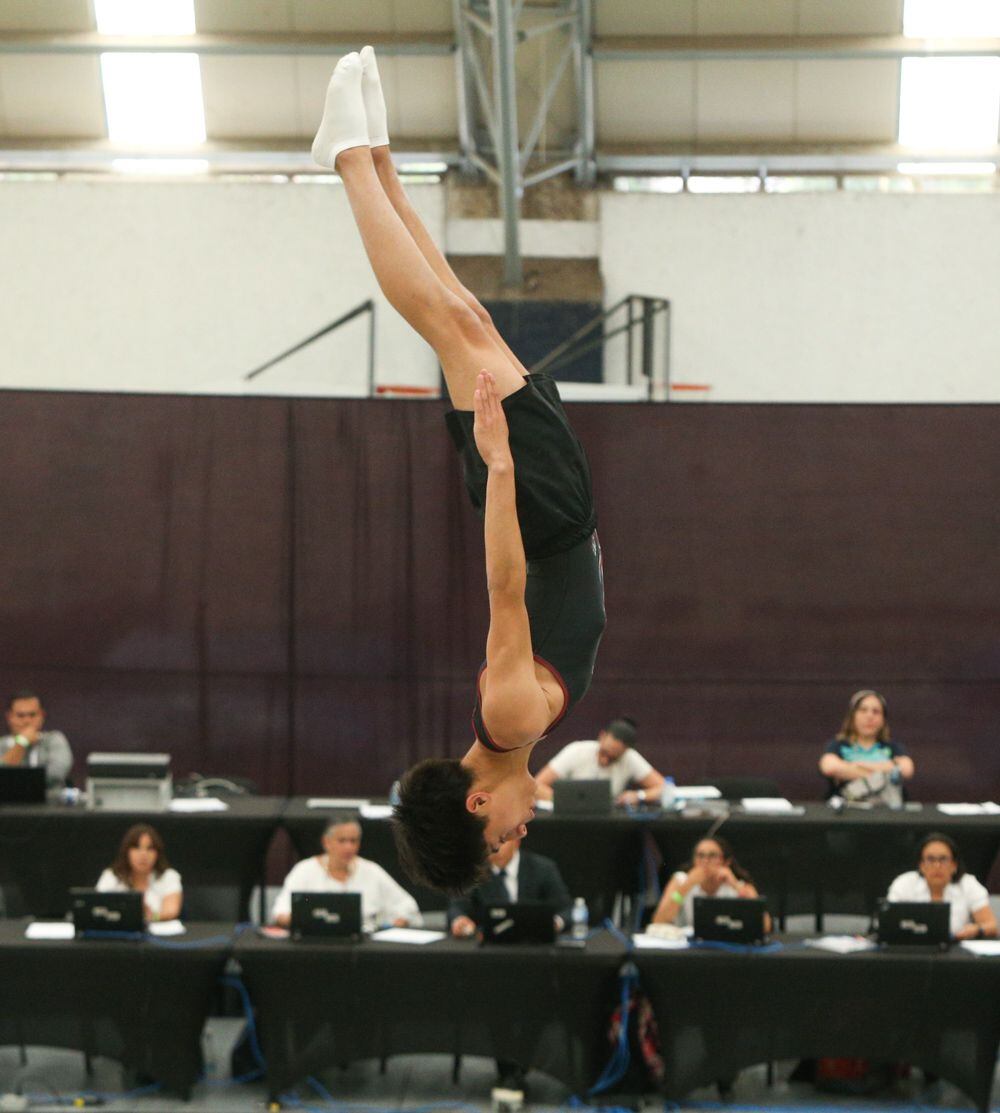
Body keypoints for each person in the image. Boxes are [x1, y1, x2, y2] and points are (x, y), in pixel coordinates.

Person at [309, 48, 606, 894]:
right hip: (550, 503)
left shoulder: (512, 717)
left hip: (538, 506)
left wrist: (501, 464)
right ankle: (374, 159)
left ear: (478, 806)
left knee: (444, 323)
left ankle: (344, 160)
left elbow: (506, 584)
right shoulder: (516, 732)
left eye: (504, 840)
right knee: (463, 314)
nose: (523, 831)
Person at [271, 814, 421, 931]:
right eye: (342, 841)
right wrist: (309, 921)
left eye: (353, 841)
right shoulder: (305, 870)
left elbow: (407, 907)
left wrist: (393, 925)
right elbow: (280, 913)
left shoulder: (371, 871)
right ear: (326, 842)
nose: (349, 847)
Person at [447, 836, 574, 937]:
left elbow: (566, 909)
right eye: (488, 839)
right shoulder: (475, 871)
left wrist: (554, 924)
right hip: (491, 946)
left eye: (501, 840)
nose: (493, 846)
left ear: (517, 842)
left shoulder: (543, 868)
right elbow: (457, 906)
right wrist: (460, 920)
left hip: (533, 945)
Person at [887, 832, 997, 941]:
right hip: (911, 949)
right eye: (930, 859)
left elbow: (992, 926)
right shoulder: (904, 884)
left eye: (943, 859)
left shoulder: (968, 884)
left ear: (954, 865)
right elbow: (888, 924)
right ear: (921, 865)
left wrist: (977, 929)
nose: (937, 866)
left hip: (955, 951)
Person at [534, 716, 665, 806]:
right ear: (601, 736)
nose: (605, 759)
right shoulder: (576, 751)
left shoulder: (630, 758)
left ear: (626, 752)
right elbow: (536, 786)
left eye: (613, 758)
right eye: (604, 752)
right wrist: (567, 801)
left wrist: (639, 796)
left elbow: (664, 788)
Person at [652, 835, 769, 931]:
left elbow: (765, 926)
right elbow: (659, 920)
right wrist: (686, 887)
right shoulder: (681, 881)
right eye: (700, 856)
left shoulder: (739, 886)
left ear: (726, 862)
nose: (705, 861)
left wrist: (735, 885)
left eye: (712, 856)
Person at [818, 689, 914, 804]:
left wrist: (855, 766)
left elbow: (907, 769)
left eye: (876, 711)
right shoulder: (838, 745)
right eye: (863, 710)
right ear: (852, 716)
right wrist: (888, 771)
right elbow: (829, 767)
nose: (869, 716)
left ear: (883, 719)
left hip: (886, 812)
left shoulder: (893, 747)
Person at [96, 823, 182, 923]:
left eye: (149, 848)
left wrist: (151, 916)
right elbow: (98, 908)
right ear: (126, 851)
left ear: (157, 853)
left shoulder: (168, 876)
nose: (143, 855)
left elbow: (171, 911)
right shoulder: (111, 876)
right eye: (137, 848)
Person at [1, 690, 74, 789]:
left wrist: (12, 780)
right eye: (20, 715)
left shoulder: (54, 739)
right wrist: (22, 742)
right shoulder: (2, 745)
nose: (27, 721)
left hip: (50, 801)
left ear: (42, 716)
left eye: (32, 715)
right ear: (9, 717)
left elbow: (57, 773)